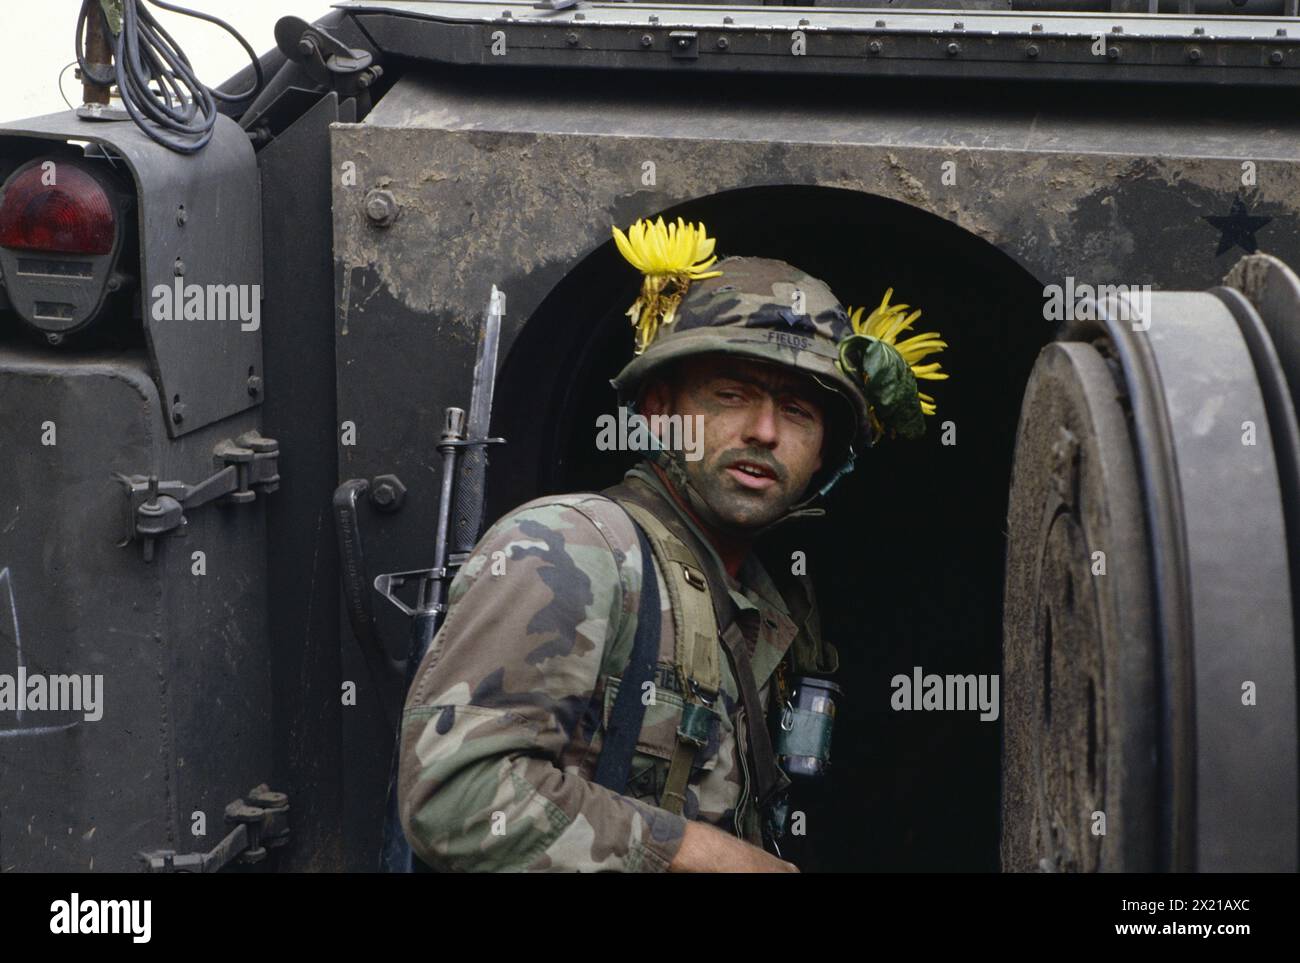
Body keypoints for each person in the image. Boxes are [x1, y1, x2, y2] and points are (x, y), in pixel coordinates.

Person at [397, 217, 947, 872]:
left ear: (826, 450)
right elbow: (452, 796)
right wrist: (695, 851)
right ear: (662, 410)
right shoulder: (572, 546)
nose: (765, 430)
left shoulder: (769, 606)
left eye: (797, 409)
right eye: (731, 394)